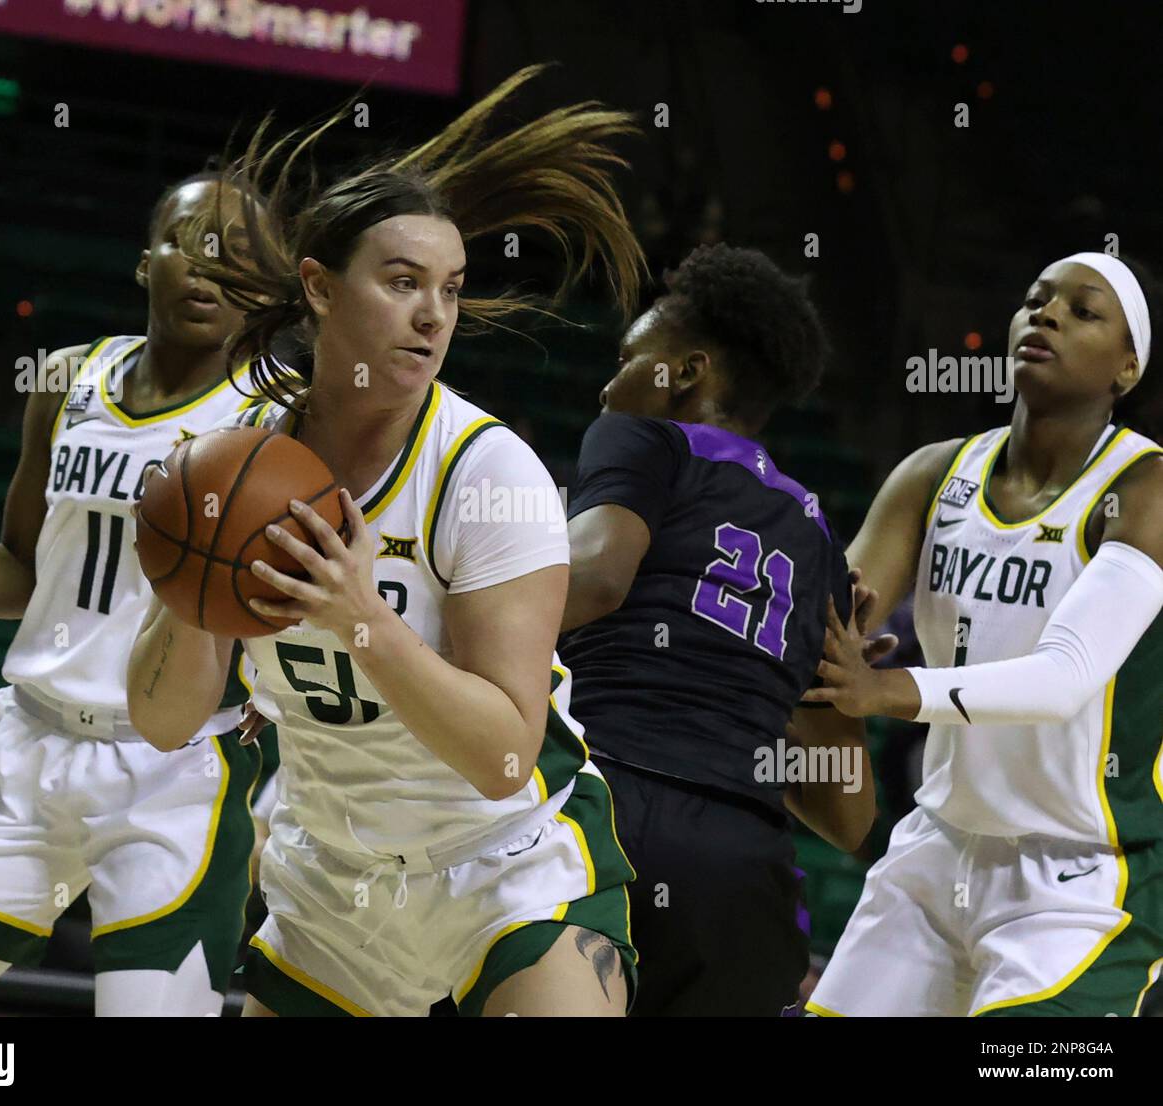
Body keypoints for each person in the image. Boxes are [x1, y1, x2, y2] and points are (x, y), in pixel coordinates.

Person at [126, 65, 648, 1018]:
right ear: (320, 288)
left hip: (504, 865)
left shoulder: (487, 472)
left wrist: (361, 617)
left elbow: (504, 759)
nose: (434, 315)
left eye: (450, 289)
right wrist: (189, 589)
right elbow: (162, 723)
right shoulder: (240, 462)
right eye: (403, 283)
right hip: (335, 879)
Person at [0, 172, 263, 1016]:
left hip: (174, 773)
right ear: (144, 260)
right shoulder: (69, 376)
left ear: (265, 286)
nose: (206, 267)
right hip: (28, 745)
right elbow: (24, 568)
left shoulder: (274, 419)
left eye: (234, 254)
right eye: (185, 242)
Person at [803, 252, 1163, 1018]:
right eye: (1036, 300)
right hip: (937, 848)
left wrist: (888, 689)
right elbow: (833, 626)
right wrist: (834, 642)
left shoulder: (1144, 488)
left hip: (1080, 876)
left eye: (1082, 310)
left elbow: (1064, 677)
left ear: (1127, 368)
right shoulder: (935, 474)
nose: (1047, 315)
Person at [557, 243, 875, 1016]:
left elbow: (596, 579)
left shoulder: (642, 436)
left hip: (598, 806)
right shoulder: (820, 541)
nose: (608, 386)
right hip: (742, 869)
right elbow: (848, 815)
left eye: (627, 360)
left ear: (686, 372)